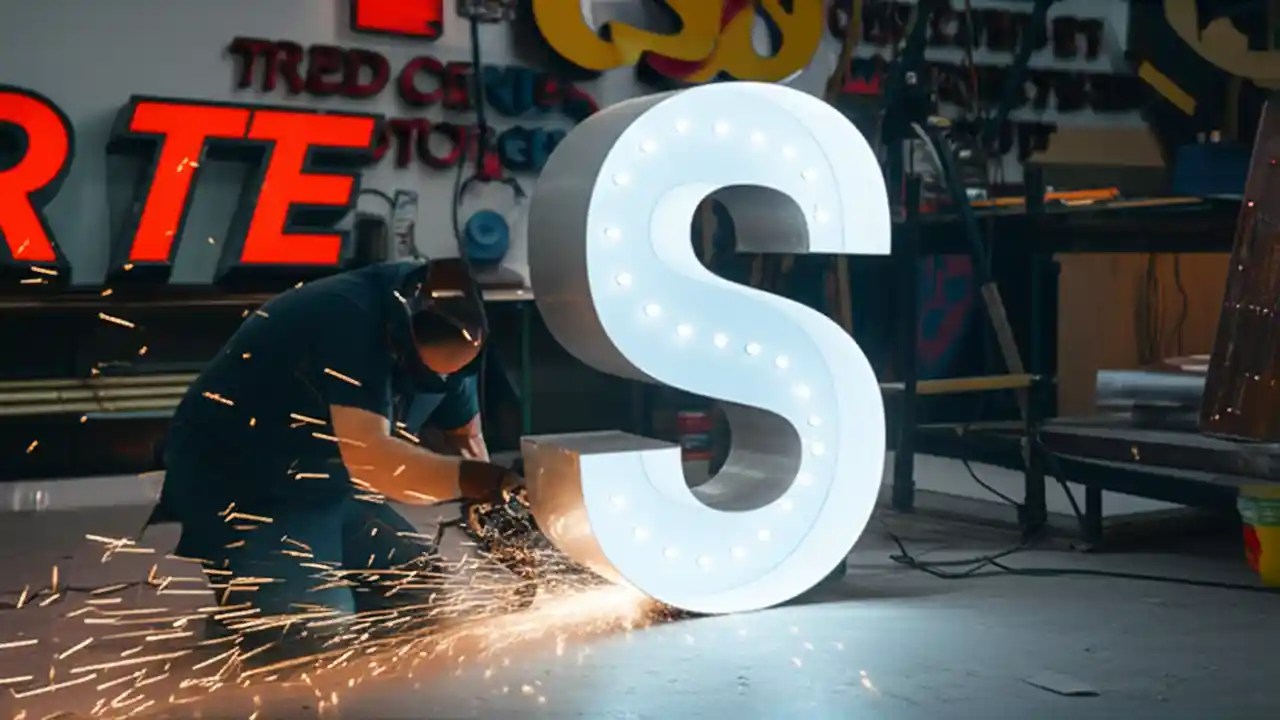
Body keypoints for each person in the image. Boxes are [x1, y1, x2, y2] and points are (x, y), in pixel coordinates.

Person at [156, 259, 519, 645]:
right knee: (311, 631)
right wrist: (477, 480)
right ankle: (259, 606)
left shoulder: (453, 327)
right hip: (245, 491)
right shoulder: (349, 321)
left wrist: (498, 512)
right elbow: (374, 463)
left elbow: (466, 438)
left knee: (419, 593)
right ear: (402, 333)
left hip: (328, 485)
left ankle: (313, 584)